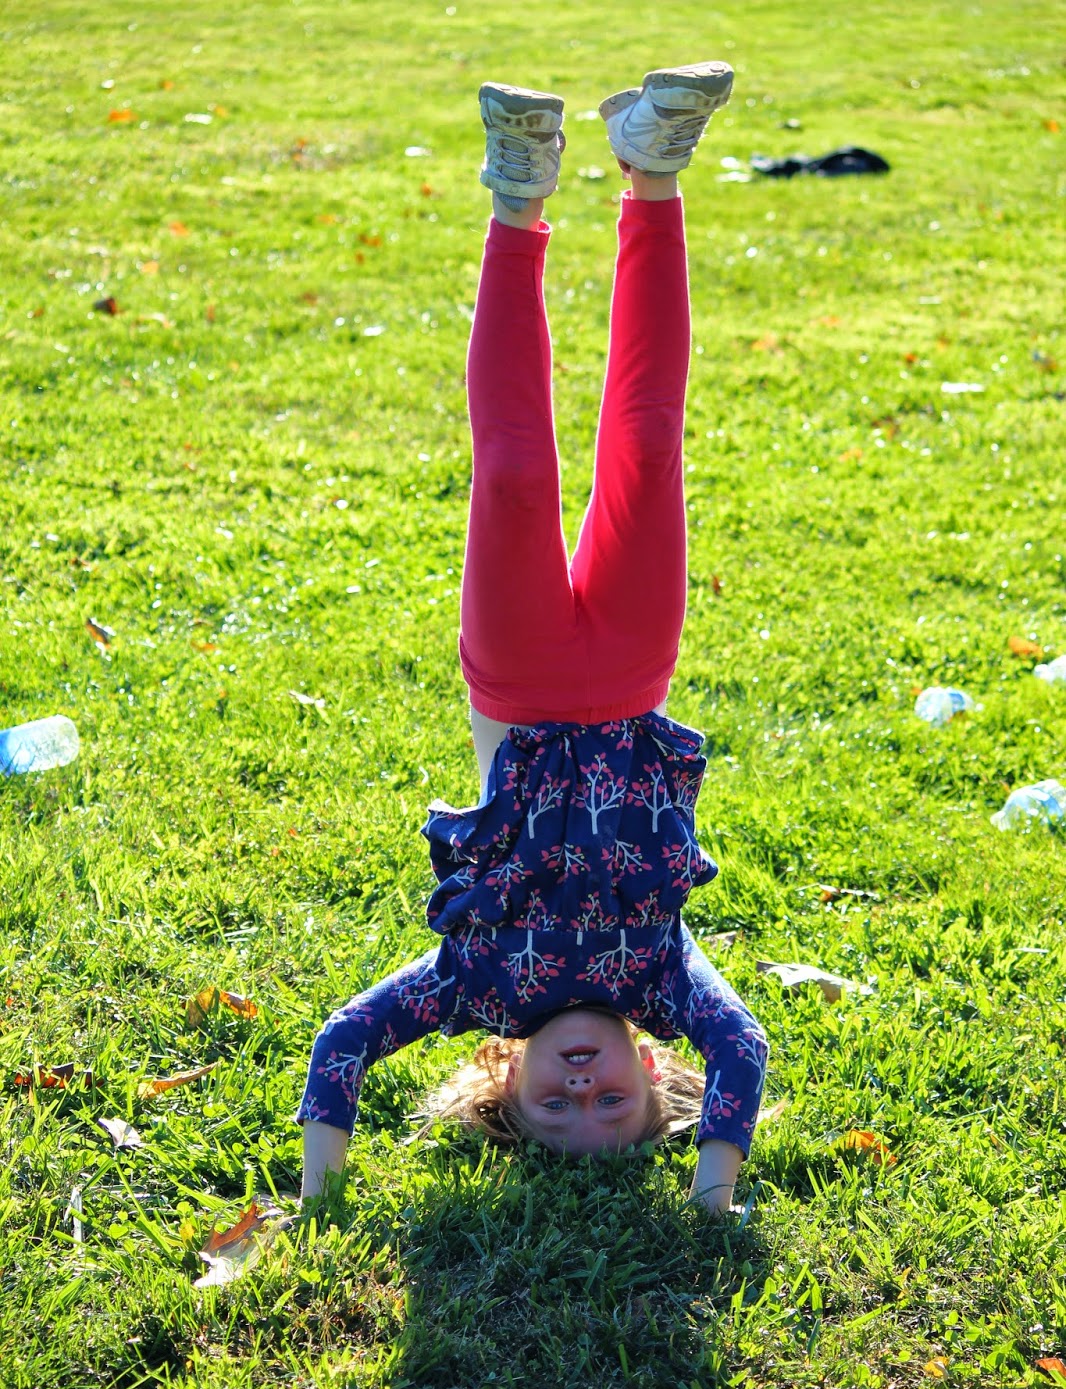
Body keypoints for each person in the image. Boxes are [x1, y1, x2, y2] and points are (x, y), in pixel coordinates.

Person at [298, 63, 768, 1214]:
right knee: (648, 446)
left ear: (502, 1077)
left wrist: (320, 1195)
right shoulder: (665, 982)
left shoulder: (473, 981)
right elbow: (745, 1054)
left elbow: (342, 1042)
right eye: (613, 1104)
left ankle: (518, 199)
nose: (582, 1090)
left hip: (514, 682)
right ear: (654, 1068)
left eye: (552, 1110)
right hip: (628, 667)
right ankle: (651, 169)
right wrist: (711, 1196)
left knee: (512, 469)